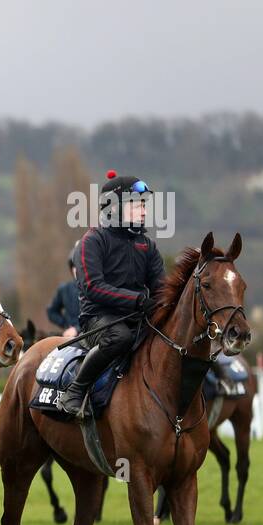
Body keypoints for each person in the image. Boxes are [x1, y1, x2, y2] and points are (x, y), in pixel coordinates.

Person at [56, 169, 165, 417]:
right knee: (120, 337)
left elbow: (161, 288)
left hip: (137, 318)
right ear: (114, 208)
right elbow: (93, 287)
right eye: (137, 205)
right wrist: (137, 300)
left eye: (144, 205)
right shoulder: (91, 241)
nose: (144, 211)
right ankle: (75, 391)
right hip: (98, 319)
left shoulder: (147, 245)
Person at [46, 246, 82, 338]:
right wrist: (66, 324)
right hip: (69, 337)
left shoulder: (95, 288)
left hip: (91, 335)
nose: (76, 269)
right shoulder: (64, 289)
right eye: (74, 266)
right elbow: (51, 311)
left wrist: (77, 329)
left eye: (80, 265)